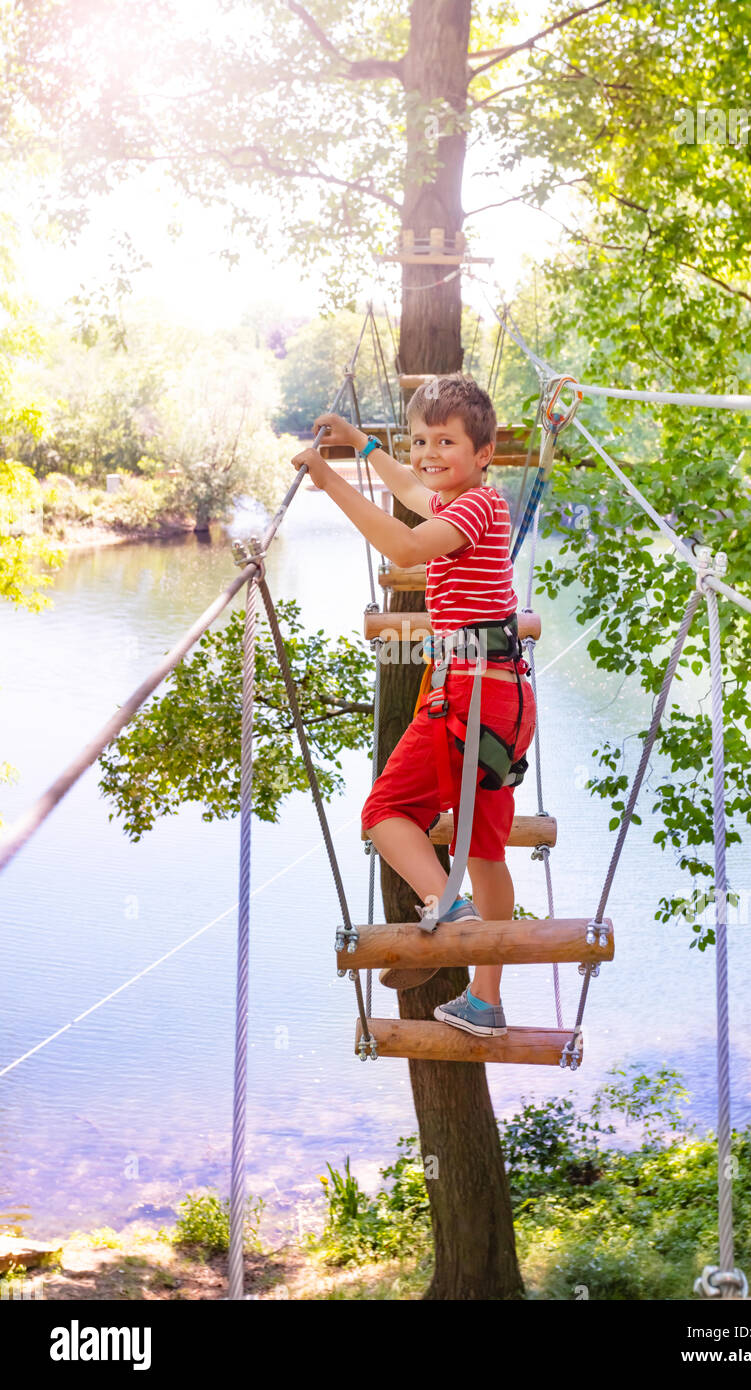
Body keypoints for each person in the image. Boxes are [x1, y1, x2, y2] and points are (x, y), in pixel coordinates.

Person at [291, 373, 536, 1037]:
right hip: (505, 696)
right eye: (421, 439)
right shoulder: (469, 501)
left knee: (385, 813)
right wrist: (363, 446)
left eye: (446, 441)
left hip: (469, 695)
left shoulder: (475, 508)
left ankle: (446, 907)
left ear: (484, 453)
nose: (430, 452)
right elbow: (410, 489)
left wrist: (330, 480)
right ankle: (484, 1001)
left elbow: (401, 545)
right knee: (484, 850)